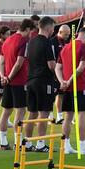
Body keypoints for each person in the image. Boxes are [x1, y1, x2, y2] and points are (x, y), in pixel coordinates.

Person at [57, 27, 85, 156]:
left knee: (68, 117)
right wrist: (68, 81)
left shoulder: (65, 47)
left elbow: (58, 67)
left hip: (67, 87)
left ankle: (66, 146)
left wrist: (62, 81)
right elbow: (81, 67)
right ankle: (82, 145)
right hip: (79, 86)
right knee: (82, 115)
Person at [23, 17, 60, 152]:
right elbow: (51, 64)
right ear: (49, 28)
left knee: (32, 113)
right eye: (53, 28)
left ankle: (27, 142)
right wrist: (59, 76)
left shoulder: (31, 41)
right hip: (43, 81)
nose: (53, 31)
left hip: (31, 79)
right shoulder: (47, 42)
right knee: (44, 113)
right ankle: (40, 143)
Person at [0, 19, 32, 149]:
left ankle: (3, 141)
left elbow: (1, 62)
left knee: (6, 111)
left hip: (7, 81)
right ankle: (18, 141)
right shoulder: (23, 41)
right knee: (20, 111)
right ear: (27, 29)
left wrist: (3, 77)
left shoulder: (7, 41)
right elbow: (19, 62)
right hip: (18, 81)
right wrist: (10, 77)